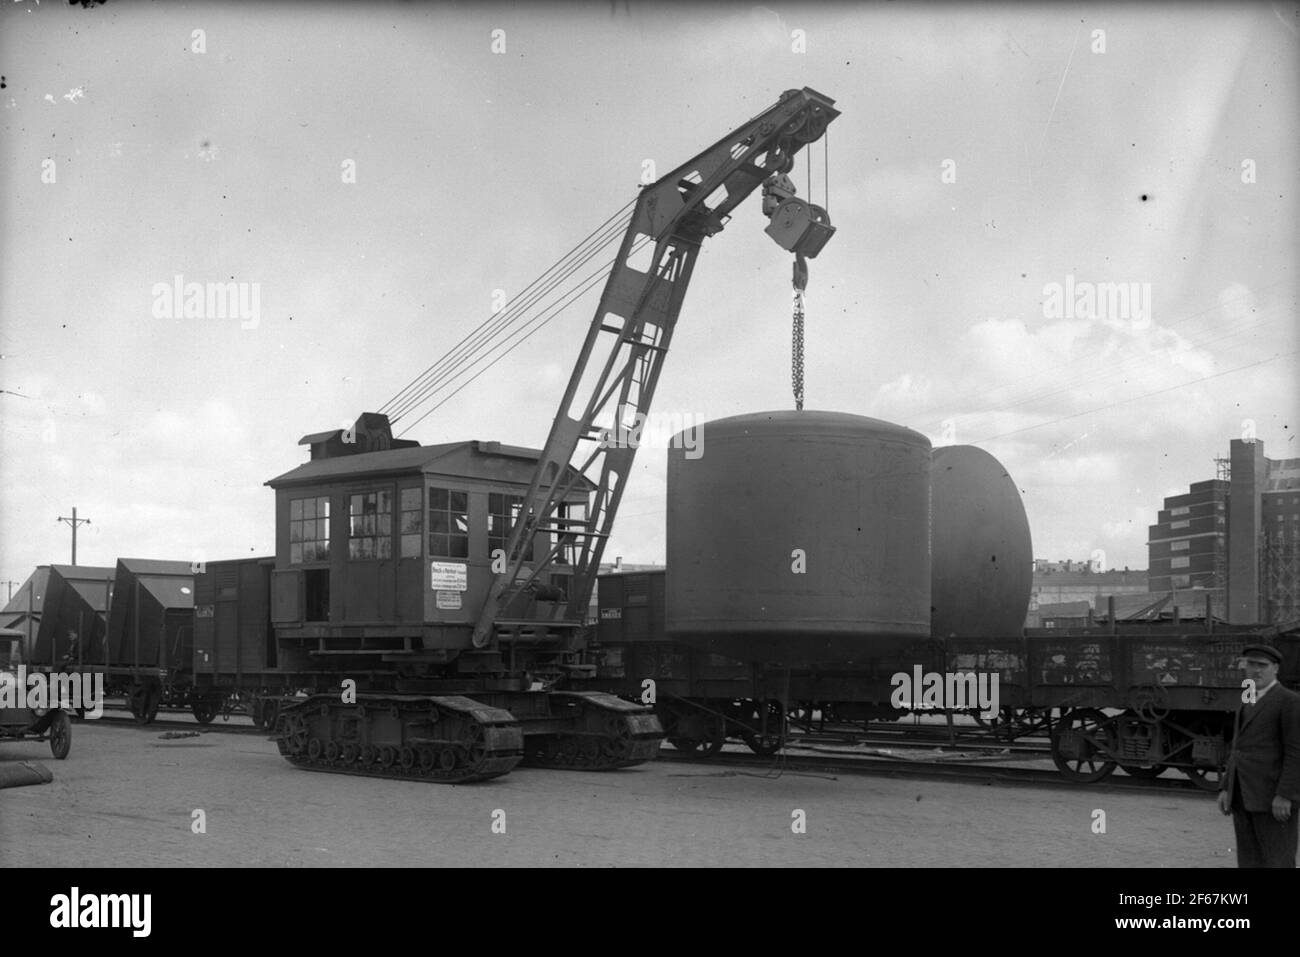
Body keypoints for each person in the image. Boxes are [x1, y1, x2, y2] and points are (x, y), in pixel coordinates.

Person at [1217, 643, 1300, 867]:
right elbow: (1238, 746)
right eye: (1251, 665)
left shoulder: (1289, 701)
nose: (1256, 671)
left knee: (1278, 861)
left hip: (1273, 800)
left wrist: (1286, 795)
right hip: (1243, 797)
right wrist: (1227, 787)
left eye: (1262, 666)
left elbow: (1296, 752)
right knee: (1249, 862)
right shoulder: (1248, 697)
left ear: (1275, 669)